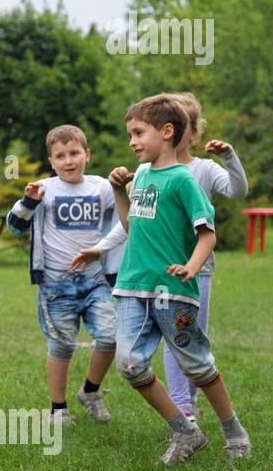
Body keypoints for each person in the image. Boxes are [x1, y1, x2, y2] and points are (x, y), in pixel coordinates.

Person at [76, 93, 247, 423]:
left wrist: (191, 267)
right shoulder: (141, 175)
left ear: (174, 131)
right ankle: (184, 420)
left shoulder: (192, 175)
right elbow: (132, 226)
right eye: (131, 135)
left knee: (189, 353)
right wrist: (110, 219)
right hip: (137, 282)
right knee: (132, 362)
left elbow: (211, 229)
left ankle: (228, 426)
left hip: (183, 280)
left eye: (138, 133)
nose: (132, 142)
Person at [6, 124, 117, 426]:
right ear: (51, 162)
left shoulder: (102, 187)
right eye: (60, 156)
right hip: (56, 285)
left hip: (96, 280)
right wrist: (29, 202)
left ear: (87, 154)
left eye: (74, 153)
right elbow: (14, 226)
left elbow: (124, 214)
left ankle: (90, 392)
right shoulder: (44, 189)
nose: (68, 161)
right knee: (63, 345)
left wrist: (126, 186)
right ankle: (58, 408)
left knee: (110, 337)